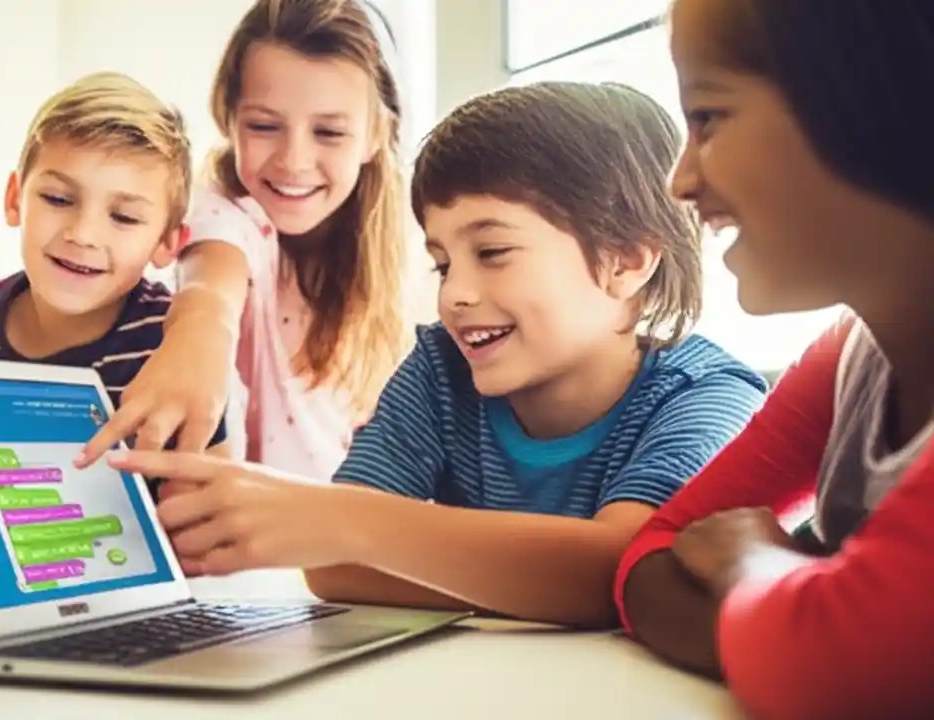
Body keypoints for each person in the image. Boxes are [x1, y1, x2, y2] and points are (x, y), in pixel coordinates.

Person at [110, 81, 766, 628]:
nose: (455, 295)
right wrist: (533, 584)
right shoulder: (438, 371)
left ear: (626, 260)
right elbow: (336, 565)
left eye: (492, 252)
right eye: (443, 263)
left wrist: (349, 525)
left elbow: (622, 569)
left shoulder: (706, 395)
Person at [615, 1, 934, 717]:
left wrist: (746, 563)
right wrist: (798, 614)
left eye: (709, 118)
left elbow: (837, 668)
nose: (681, 181)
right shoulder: (851, 357)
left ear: (866, 95)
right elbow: (650, 556)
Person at [76, 0, 408, 480]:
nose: (294, 160)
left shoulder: (377, 265)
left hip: (332, 531)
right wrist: (198, 333)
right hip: (247, 540)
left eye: (330, 132)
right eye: (264, 126)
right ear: (228, 117)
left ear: (378, 135)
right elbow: (210, 288)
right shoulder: (225, 214)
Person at [0, 72, 228, 458]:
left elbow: (208, 502)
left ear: (166, 242)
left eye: (124, 217)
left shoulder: (170, 350)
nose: (83, 234)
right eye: (59, 199)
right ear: (14, 200)